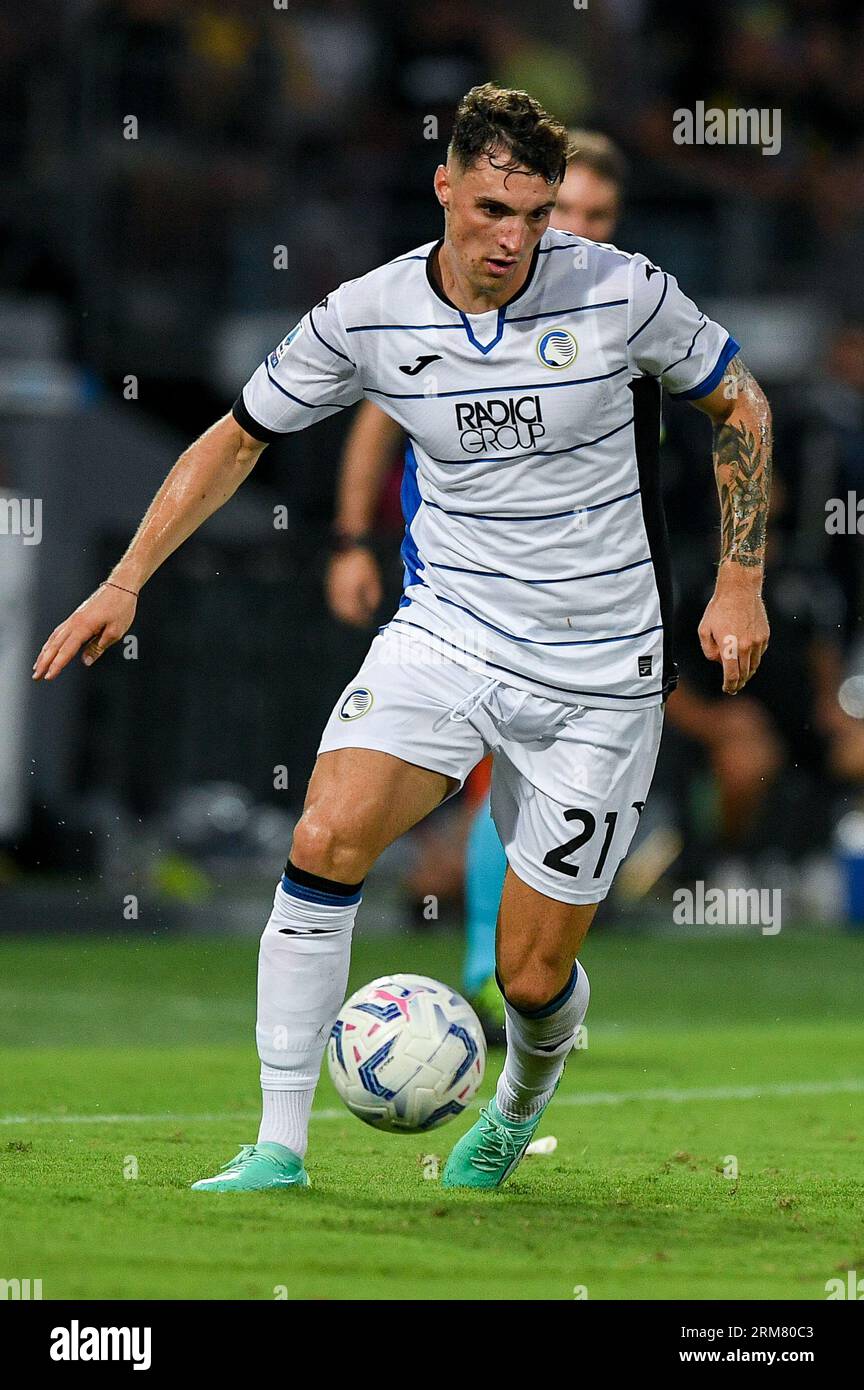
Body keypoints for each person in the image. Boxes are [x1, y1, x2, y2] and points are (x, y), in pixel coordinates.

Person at [34, 84, 772, 1193]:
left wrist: (742, 583)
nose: (515, 239)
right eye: (492, 210)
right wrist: (124, 579)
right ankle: (280, 1144)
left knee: (530, 977)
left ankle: (519, 1103)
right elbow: (235, 438)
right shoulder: (365, 313)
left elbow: (742, 405)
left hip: (600, 673)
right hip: (451, 631)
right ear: (445, 188)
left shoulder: (623, 292)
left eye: (535, 215)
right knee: (326, 835)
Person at [326, 131, 627, 1039]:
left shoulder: (621, 306)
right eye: (556, 211)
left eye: (587, 216)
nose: (562, 231)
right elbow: (379, 415)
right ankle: (486, 967)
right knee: (490, 771)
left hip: (596, 592)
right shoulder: (446, 307)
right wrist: (351, 540)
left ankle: (522, 966)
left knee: (545, 785)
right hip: (463, 595)